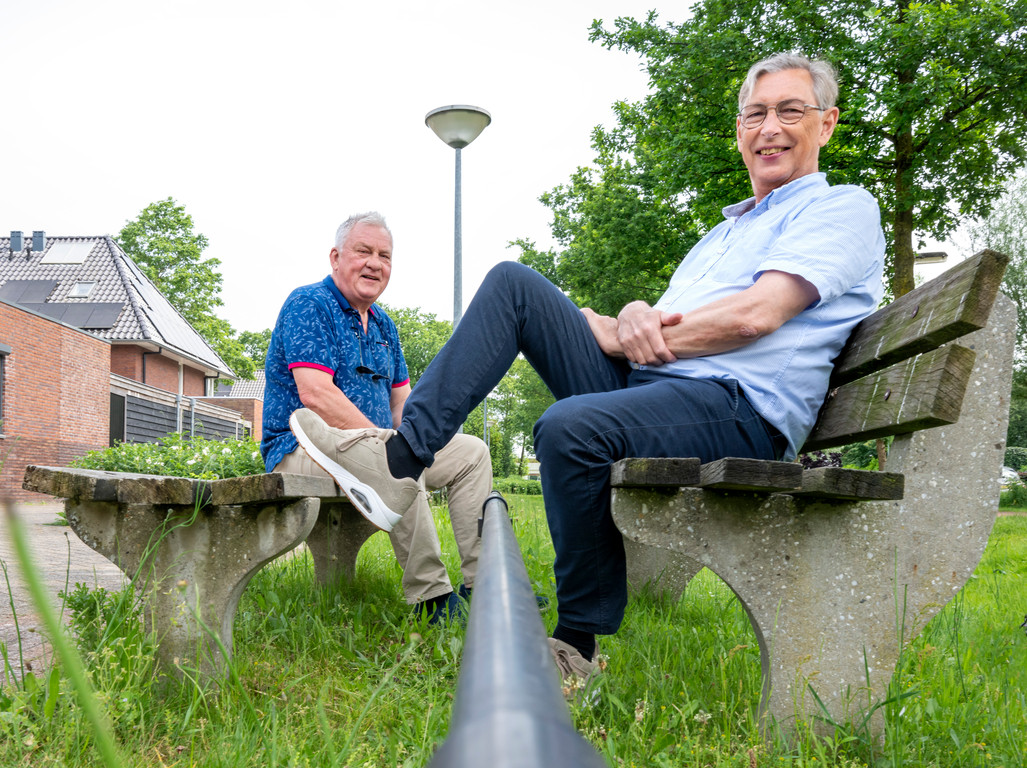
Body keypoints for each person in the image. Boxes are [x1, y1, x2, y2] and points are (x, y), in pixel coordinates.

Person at [288, 53, 886, 695]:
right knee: (513, 285)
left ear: (826, 123)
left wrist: (633, 332)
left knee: (569, 426)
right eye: (755, 114)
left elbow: (755, 316)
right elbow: (650, 327)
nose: (769, 127)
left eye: (790, 111)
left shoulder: (839, 208)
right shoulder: (723, 234)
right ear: (740, 130)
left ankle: (578, 645)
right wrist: (625, 316)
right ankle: (402, 461)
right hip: (657, 390)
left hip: (738, 410)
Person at [262, 213, 492, 624]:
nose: (375, 263)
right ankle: (431, 598)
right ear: (336, 257)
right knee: (398, 459)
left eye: (384, 256)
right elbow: (315, 394)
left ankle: (484, 582)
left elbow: (403, 404)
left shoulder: (385, 325)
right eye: (363, 251)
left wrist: (419, 437)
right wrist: (392, 444)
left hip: (370, 446)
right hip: (303, 449)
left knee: (471, 452)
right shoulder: (309, 303)